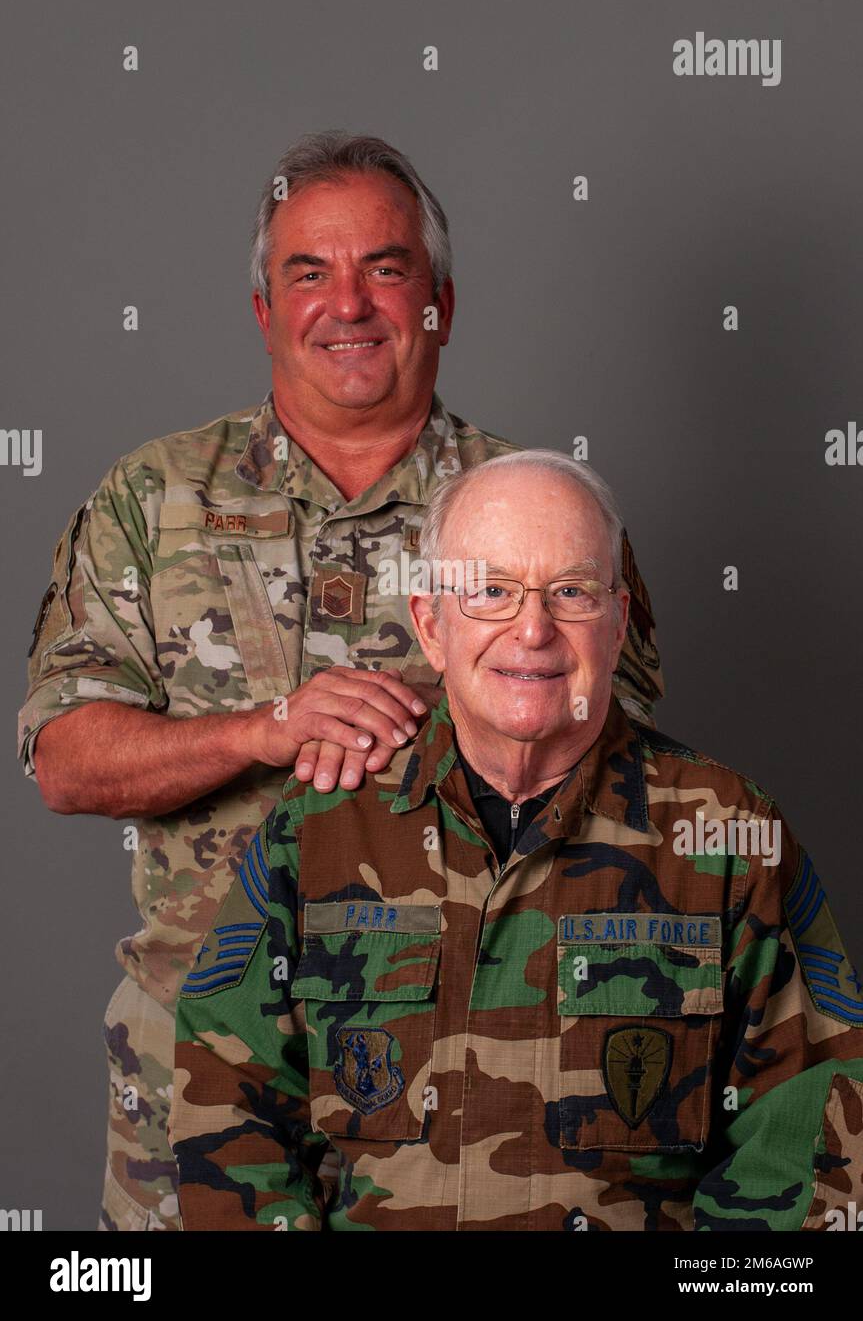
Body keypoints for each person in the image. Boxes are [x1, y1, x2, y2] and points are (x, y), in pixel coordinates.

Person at [17, 132, 665, 1230]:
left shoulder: (540, 506)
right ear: (264, 311)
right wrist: (262, 731)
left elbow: (626, 755)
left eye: (385, 268)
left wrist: (422, 734)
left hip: (471, 1098)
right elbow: (63, 759)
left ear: (439, 305)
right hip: (195, 1089)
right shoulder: (150, 499)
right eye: (307, 273)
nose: (348, 303)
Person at [170, 449, 863, 1231]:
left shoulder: (730, 836)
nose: (531, 630)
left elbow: (803, 1146)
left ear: (616, 620)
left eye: (570, 592)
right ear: (430, 626)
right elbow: (226, 1103)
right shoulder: (324, 826)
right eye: (490, 592)